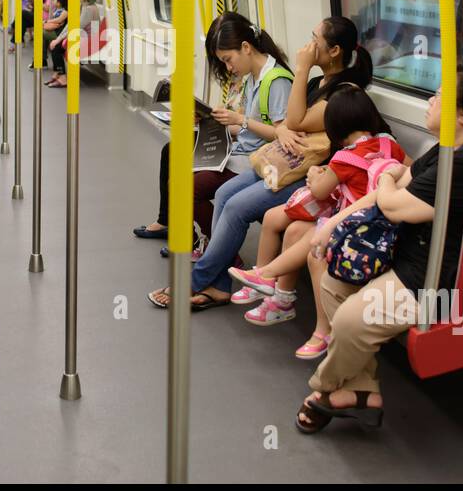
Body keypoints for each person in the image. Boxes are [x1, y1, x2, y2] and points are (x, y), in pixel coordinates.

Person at [147, 16, 374, 309]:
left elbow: (294, 120)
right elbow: (292, 127)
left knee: (238, 207)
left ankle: (198, 281)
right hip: (283, 161)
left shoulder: (343, 91)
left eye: (315, 40)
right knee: (225, 194)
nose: (307, 46)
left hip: (305, 175)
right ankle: (218, 285)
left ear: (334, 51)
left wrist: (302, 67)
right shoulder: (319, 82)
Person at [295, 65, 463, 434]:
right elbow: (386, 188)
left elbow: (394, 203)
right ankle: (362, 390)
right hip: (406, 258)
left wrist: (390, 178)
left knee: (347, 322)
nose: (430, 100)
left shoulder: (461, 165)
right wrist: (330, 225)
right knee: (332, 280)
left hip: (431, 282)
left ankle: (324, 391)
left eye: (440, 96)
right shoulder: (442, 151)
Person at [229, 85, 405, 356]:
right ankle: (281, 299)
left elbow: (320, 191)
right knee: (297, 229)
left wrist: (315, 174)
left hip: (357, 231)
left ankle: (267, 276)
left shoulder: (345, 157)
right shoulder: (387, 143)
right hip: (380, 225)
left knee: (315, 245)